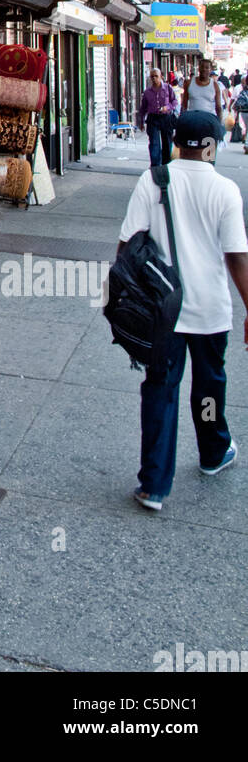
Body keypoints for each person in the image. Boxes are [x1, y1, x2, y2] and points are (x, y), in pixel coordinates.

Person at [118, 111, 248, 512]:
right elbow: (237, 256)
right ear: (211, 146)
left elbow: (127, 245)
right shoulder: (225, 190)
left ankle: (153, 485)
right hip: (210, 310)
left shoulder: (154, 180)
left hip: (163, 311)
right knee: (209, 386)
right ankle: (213, 452)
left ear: (175, 142)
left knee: (161, 388)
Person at [139, 67, 178, 168]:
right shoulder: (147, 92)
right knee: (154, 143)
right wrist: (141, 122)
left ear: (161, 77)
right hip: (153, 119)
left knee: (167, 143)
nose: (154, 78)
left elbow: (174, 101)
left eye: (156, 76)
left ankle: (166, 165)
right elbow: (143, 108)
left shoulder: (168, 88)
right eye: (152, 76)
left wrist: (167, 107)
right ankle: (155, 166)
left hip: (166, 118)